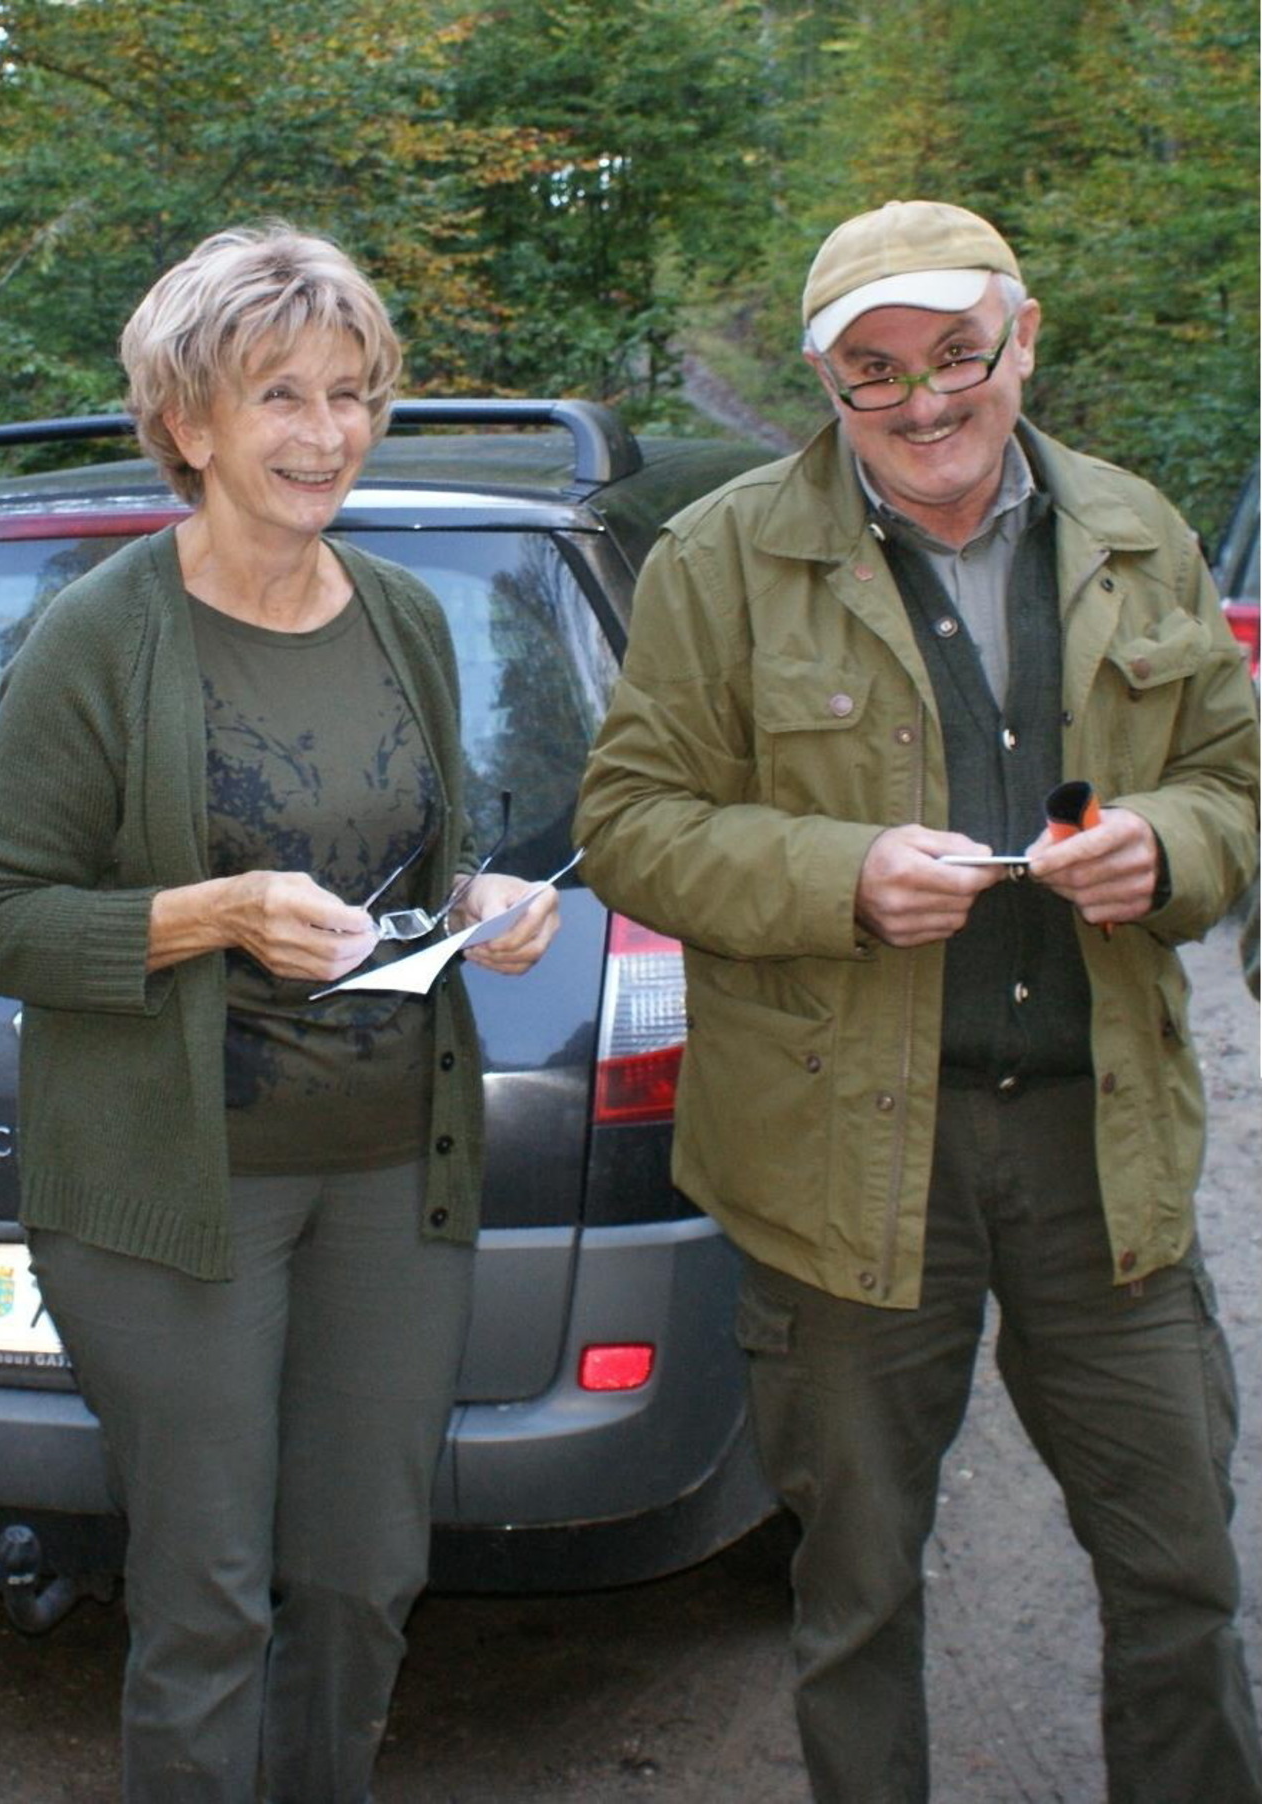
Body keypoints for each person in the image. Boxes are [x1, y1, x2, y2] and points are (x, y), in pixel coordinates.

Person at [575, 199, 1262, 1801]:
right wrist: (841, 876)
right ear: (827, 384)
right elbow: (629, 824)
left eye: (957, 354)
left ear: (1020, 338)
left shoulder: (1141, 536)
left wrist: (1168, 849)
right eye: (875, 373)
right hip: (841, 1168)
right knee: (855, 1594)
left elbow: (1236, 783)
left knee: (1181, 1577)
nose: (927, 401)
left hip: (1106, 1151)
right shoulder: (722, 559)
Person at [0, 224, 559, 1802]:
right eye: (279, 394)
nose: (327, 433)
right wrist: (210, 915)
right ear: (190, 423)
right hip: (176, 1196)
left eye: (352, 393)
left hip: (389, 1185)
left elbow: (437, 850)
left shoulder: (404, 615)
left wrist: (484, 900)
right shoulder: (103, 633)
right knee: (207, 1599)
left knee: (364, 1579)